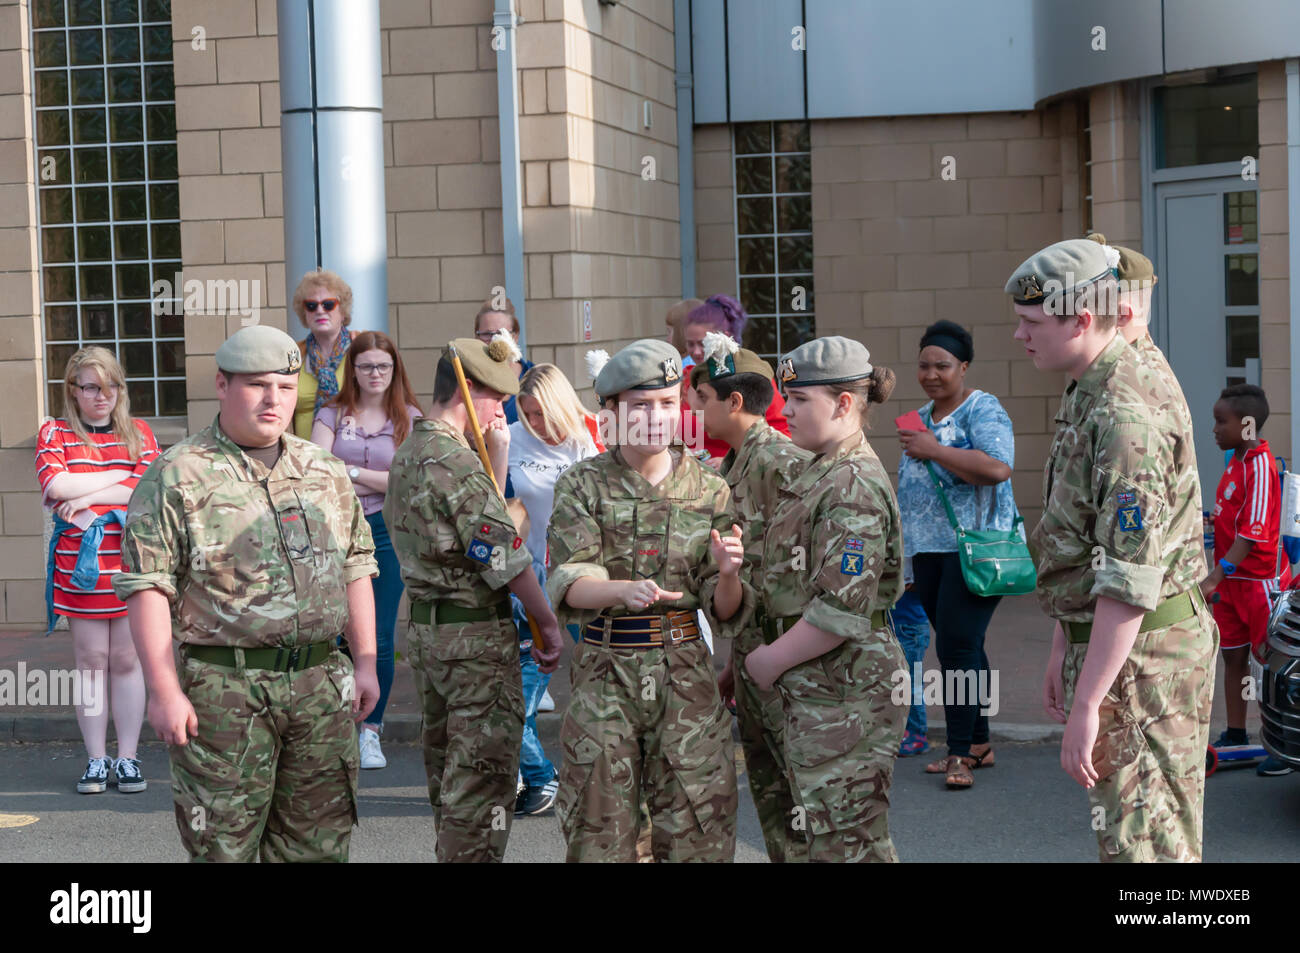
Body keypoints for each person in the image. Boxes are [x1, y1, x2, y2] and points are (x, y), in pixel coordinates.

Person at [113, 325, 380, 862]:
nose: (273, 400)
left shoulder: (323, 469)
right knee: (223, 847)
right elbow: (148, 587)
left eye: (285, 387)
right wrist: (164, 691)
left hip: (319, 686)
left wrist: (366, 664)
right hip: (225, 692)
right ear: (222, 384)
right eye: (257, 385)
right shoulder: (177, 473)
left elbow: (355, 567)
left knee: (318, 847)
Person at [1007, 238, 1216, 862]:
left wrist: (1089, 703)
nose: (1020, 335)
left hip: (1144, 663)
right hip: (1126, 649)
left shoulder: (1126, 416)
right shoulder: (1094, 378)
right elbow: (1086, 544)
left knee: (1147, 854)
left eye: (1032, 322)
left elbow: (1129, 578)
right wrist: (1060, 643)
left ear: (1082, 318)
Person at [547, 339, 750, 863]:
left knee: (697, 826)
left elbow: (722, 608)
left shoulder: (709, 487)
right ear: (611, 413)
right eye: (640, 406)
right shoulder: (582, 485)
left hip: (685, 673)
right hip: (605, 670)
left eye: (665, 403)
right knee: (599, 829)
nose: (656, 417)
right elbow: (569, 580)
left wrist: (728, 575)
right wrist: (622, 591)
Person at [384, 333, 563, 863]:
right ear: (470, 392)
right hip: (473, 641)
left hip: (428, 631)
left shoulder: (410, 451)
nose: (502, 411)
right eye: (498, 398)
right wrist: (546, 623)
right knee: (482, 782)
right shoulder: (456, 463)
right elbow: (504, 558)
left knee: (448, 773)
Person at [744, 336, 908, 863]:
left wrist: (766, 662)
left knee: (848, 845)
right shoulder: (822, 470)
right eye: (786, 398)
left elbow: (841, 610)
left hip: (846, 689)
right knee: (829, 840)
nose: (785, 411)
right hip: (823, 686)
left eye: (799, 400)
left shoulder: (851, 483)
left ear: (843, 404)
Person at [690, 332, 811, 863]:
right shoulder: (738, 463)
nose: (697, 411)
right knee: (775, 802)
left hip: (790, 667)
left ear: (734, 402)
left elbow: (807, 578)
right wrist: (736, 664)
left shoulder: (783, 464)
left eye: (705, 399)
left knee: (805, 801)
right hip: (756, 661)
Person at [895, 320, 1017, 788]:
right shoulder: (917, 418)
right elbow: (909, 490)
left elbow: (997, 468)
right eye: (924, 365)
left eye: (942, 365)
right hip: (927, 553)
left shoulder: (981, 408)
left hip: (974, 549)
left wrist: (935, 449)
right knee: (965, 647)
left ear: (962, 367)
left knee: (955, 648)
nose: (931, 374)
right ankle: (980, 742)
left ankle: (960, 754)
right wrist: (905, 559)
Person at [36, 346, 160, 795]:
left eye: (111, 386)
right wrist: (117, 480)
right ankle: (96, 760)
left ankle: (127, 758)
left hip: (130, 562)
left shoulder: (140, 433)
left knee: (128, 660)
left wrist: (87, 497)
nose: (102, 396)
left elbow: (148, 488)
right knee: (92, 663)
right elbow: (55, 484)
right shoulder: (55, 434)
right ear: (74, 391)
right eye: (91, 387)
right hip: (81, 568)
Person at [311, 331, 424, 771]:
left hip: (386, 529)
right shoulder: (332, 412)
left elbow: (406, 480)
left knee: (376, 636)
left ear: (394, 370)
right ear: (352, 370)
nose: (376, 374)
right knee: (335, 630)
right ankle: (337, 724)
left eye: (384, 366)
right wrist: (375, 474)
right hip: (335, 529)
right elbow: (319, 470)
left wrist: (351, 469)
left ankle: (371, 731)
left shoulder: (408, 418)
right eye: (367, 366)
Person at [506, 363, 602, 815]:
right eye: (528, 415)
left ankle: (599, 781)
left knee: (598, 693)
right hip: (534, 580)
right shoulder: (508, 439)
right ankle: (542, 778)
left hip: (587, 581)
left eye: (543, 414)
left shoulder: (591, 442)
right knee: (519, 696)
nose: (536, 425)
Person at [1203, 385, 1292, 776]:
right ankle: (1236, 733)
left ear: (1248, 424)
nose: (1215, 428)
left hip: (1258, 582)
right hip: (1233, 583)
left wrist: (1214, 576)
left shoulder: (1260, 464)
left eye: (1222, 421)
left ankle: (1280, 745)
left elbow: (1253, 533)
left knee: (1265, 665)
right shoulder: (1234, 459)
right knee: (1233, 656)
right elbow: (1233, 517)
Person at [682, 295, 789, 460]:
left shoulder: (747, 377)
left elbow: (782, 434)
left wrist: (731, 462)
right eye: (690, 344)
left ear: (723, 337)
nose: (696, 352)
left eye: (702, 343)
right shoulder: (681, 381)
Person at [292, 268, 354, 439]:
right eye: (311, 306)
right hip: (302, 458)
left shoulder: (360, 352)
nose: (320, 311)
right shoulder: (294, 355)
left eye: (328, 304)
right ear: (304, 313)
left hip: (352, 457)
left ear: (342, 311)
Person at [474, 295, 535, 426]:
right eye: (486, 334)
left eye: (501, 334)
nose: (494, 340)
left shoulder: (535, 377)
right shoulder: (468, 379)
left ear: (515, 336)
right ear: (476, 336)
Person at [890, 587, 931, 756]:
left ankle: (917, 734)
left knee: (910, 683)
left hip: (909, 627)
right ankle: (906, 731)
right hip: (901, 624)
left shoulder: (913, 562)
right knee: (901, 683)